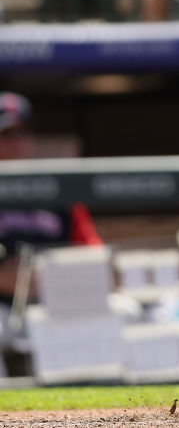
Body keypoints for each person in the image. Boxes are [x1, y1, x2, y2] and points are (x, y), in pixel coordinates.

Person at [0, 92, 103, 375]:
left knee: (123, 312)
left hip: (58, 300)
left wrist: (56, 274)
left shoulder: (59, 189)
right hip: (5, 309)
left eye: (22, 133)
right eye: (7, 134)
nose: (16, 143)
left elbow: (94, 254)